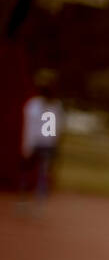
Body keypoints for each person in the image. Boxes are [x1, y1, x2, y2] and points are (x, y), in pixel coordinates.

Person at [19, 69, 62, 214]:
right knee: (28, 173)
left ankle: (38, 203)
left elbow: (55, 128)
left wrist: (53, 145)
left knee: (42, 175)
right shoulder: (34, 105)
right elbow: (30, 127)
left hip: (45, 144)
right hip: (37, 143)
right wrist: (27, 144)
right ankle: (24, 200)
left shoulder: (53, 106)